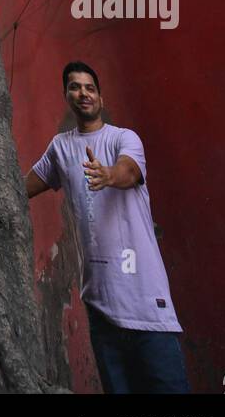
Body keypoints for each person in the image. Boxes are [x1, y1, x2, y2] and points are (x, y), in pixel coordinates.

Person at [25, 61, 190, 394]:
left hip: (147, 306)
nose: (83, 93)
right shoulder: (60, 147)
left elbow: (129, 172)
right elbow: (20, 189)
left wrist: (107, 175)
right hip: (100, 306)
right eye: (75, 87)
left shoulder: (124, 138)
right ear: (66, 95)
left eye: (89, 87)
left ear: (99, 95)